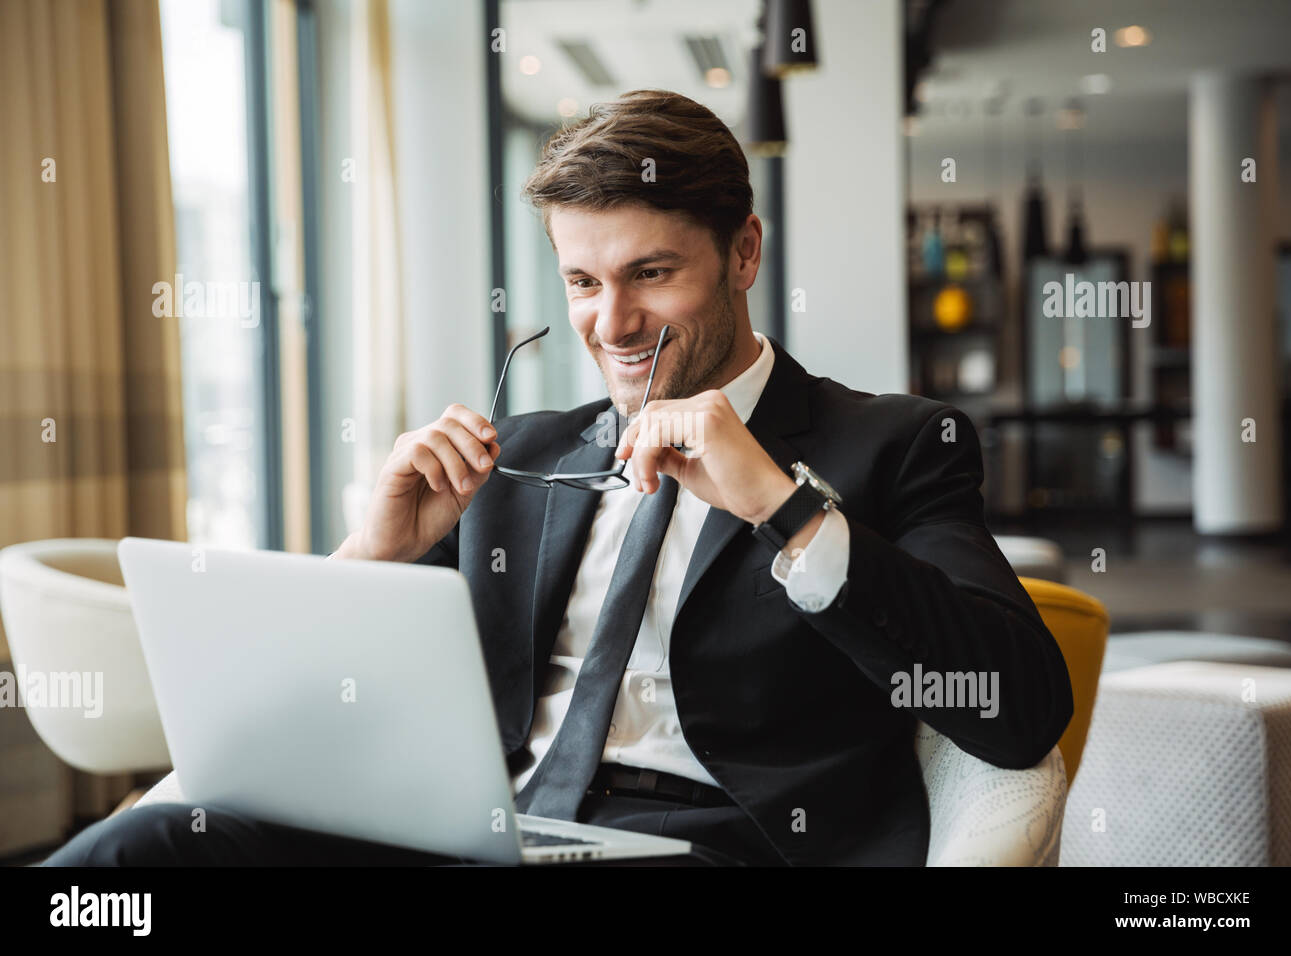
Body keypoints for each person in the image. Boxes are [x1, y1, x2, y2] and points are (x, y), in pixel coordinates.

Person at [44, 89, 1071, 867]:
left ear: (743, 252)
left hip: (708, 845)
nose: (611, 324)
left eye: (650, 274)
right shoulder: (518, 452)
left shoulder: (892, 443)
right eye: (582, 280)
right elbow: (295, 720)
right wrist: (374, 555)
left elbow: (1016, 707)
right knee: (146, 846)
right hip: (472, 828)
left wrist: (778, 502)